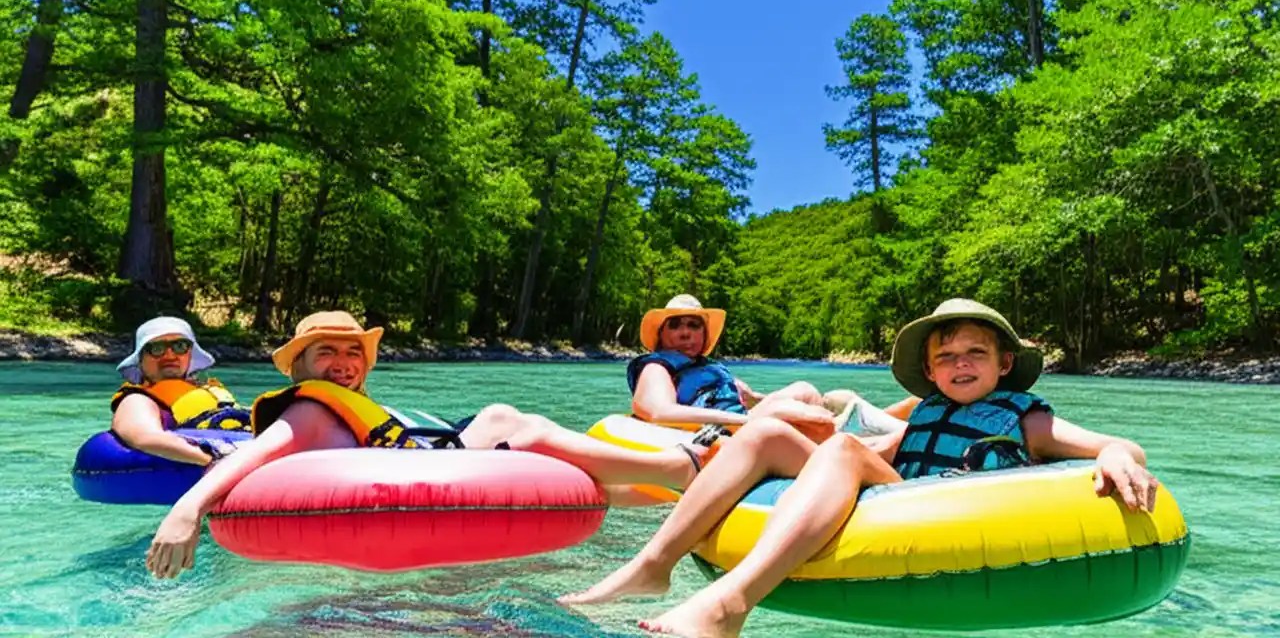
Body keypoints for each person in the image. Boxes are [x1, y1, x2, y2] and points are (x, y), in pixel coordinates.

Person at [561, 298, 1161, 638]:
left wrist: (1114, 455)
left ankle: (729, 605)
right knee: (771, 431)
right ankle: (652, 565)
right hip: (906, 496)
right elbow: (873, 446)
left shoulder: (1026, 420)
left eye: (975, 353)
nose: (960, 365)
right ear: (930, 372)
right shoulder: (925, 413)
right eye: (945, 357)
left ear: (1005, 363)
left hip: (955, 513)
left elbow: (1121, 447)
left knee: (844, 452)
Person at [146, 310, 715, 580]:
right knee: (532, 433)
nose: (343, 366)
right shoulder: (309, 409)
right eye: (327, 355)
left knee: (508, 420)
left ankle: (686, 494)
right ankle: (684, 467)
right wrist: (187, 510)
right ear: (300, 366)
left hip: (432, 455)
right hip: (428, 471)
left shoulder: (353, 407)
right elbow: (256, 453)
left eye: (353, 356)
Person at [630, 295, 901, 442]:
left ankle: (866, 427)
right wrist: (746, 420)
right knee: (786, 412)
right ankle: (878, 437)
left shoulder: (708, 368)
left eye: (693, 325)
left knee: (804, 390)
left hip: (736, 420)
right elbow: (656, 411)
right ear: (662, 336)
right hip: (714, 431)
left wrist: (755, 399)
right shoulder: (657, 367)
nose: (685, 333)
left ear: (704, 334)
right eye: (675, 325)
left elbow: (743, 399)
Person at [110, 317, 248, 467]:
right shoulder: (136, 400)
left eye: (180, 346)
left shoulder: (210, 391)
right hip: (222, 462)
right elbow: (144, 437)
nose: (169, 355)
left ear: (189, 354)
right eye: (157, 348)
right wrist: (215, 460)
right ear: (140, 359)